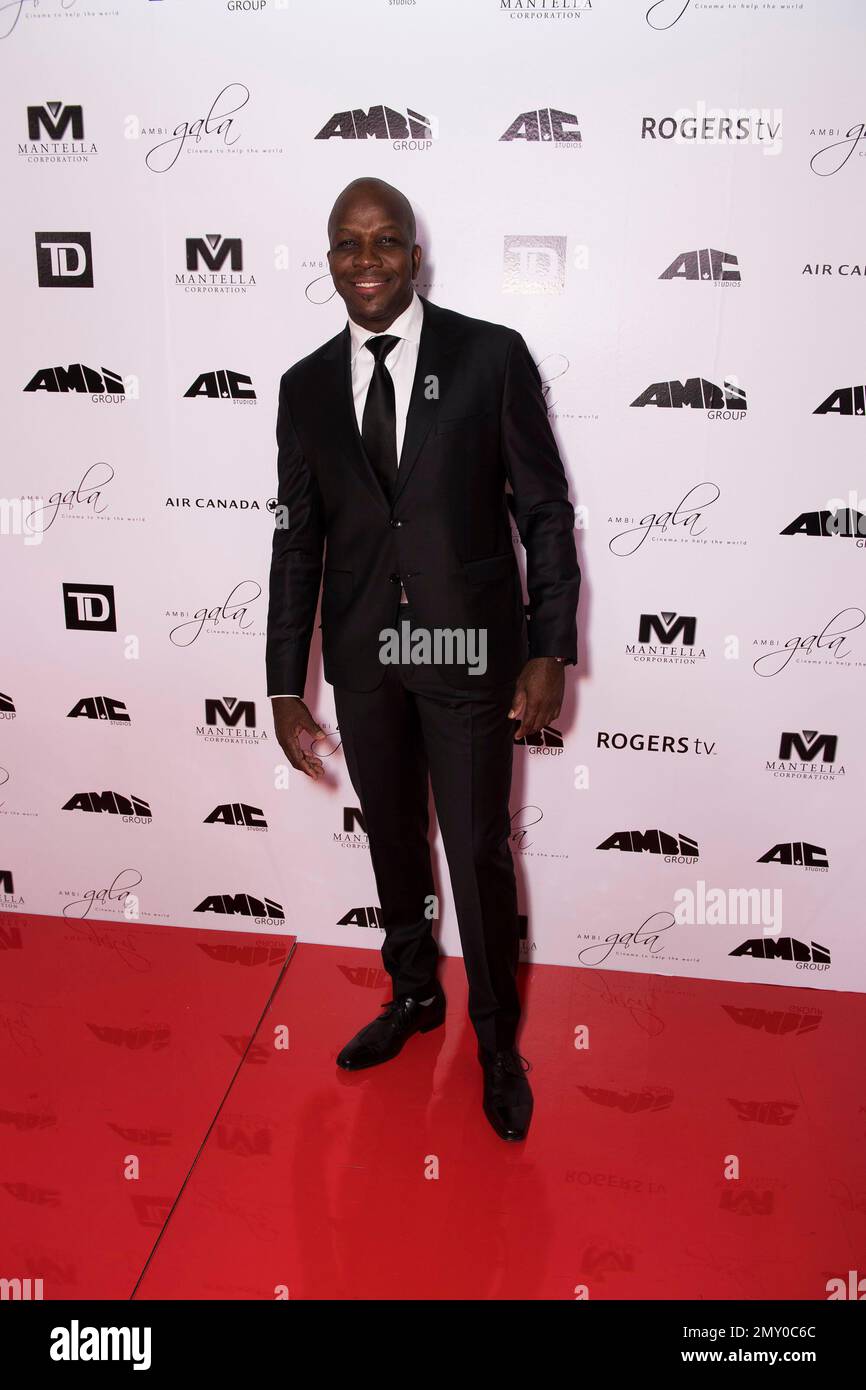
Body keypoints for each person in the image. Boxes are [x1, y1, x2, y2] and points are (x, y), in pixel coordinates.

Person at [266, 177, 580, 1140]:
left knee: (479, 849)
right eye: (348, 244)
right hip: (368, 659)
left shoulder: (489, 357)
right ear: (329, 260)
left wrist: (549, 647)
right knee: (393, 837)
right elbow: (297, 540)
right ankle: (414, 995)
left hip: (470, 653)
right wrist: (285, 680)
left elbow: (543, 510)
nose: (367, 260)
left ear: (414, 255)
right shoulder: (305, 385)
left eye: (385, 241)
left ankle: (494, 1041)